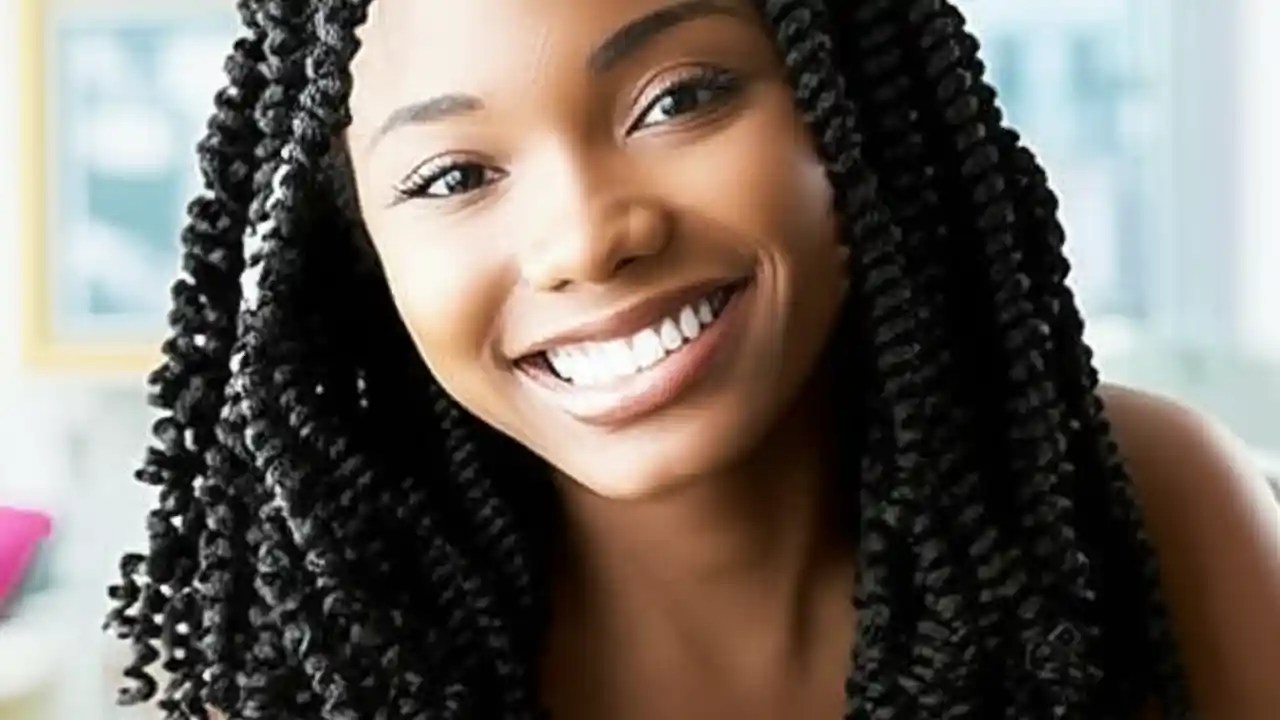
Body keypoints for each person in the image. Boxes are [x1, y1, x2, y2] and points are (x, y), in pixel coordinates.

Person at [102, 0, 1280, 718]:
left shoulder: (1143, 504)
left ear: (847, 106)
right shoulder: (315, 668)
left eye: (677, 99)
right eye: (452, 176)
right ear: (363, 261)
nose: (586, 238)